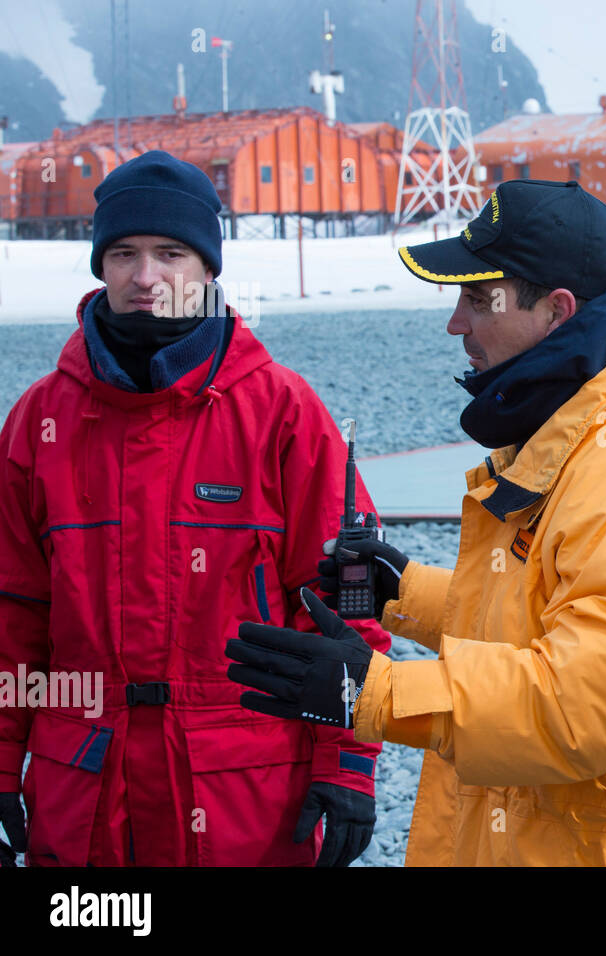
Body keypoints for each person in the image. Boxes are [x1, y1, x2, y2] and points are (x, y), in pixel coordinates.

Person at [226, 179, 606, 866]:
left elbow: (597, 699)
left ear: (557, 311)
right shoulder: (587, 429)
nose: (456, 324)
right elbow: (553, 618)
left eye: (478, 300)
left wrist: (380, 692)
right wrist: (406, 593)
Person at [0, 150, 389, 867]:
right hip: (86, 797)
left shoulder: (283, 413)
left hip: (244, 800)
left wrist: (348, 763)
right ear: (100, 267)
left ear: (208, 268)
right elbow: (12, 615)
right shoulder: (39, 421)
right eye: (123, 253)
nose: (145, 278)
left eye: (170, 253)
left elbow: (344, 607)